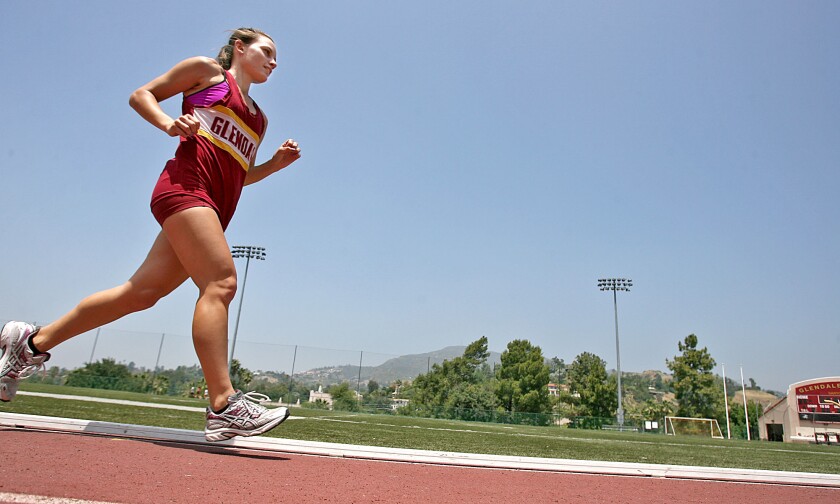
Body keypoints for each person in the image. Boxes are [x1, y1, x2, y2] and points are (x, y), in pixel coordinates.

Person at [0, 27, 301, 442]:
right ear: (240, 47)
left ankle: (29, 344)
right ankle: (223, 404)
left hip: (212, 206)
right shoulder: (206, 72)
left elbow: (239, 175)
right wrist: (168, 124)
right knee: (221, 283)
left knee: (140, 294)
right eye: (266, 51)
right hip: (183, 189)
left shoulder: (259, 119)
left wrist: (274, 165)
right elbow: (142, 94)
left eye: (276, 56)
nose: (273, 61)